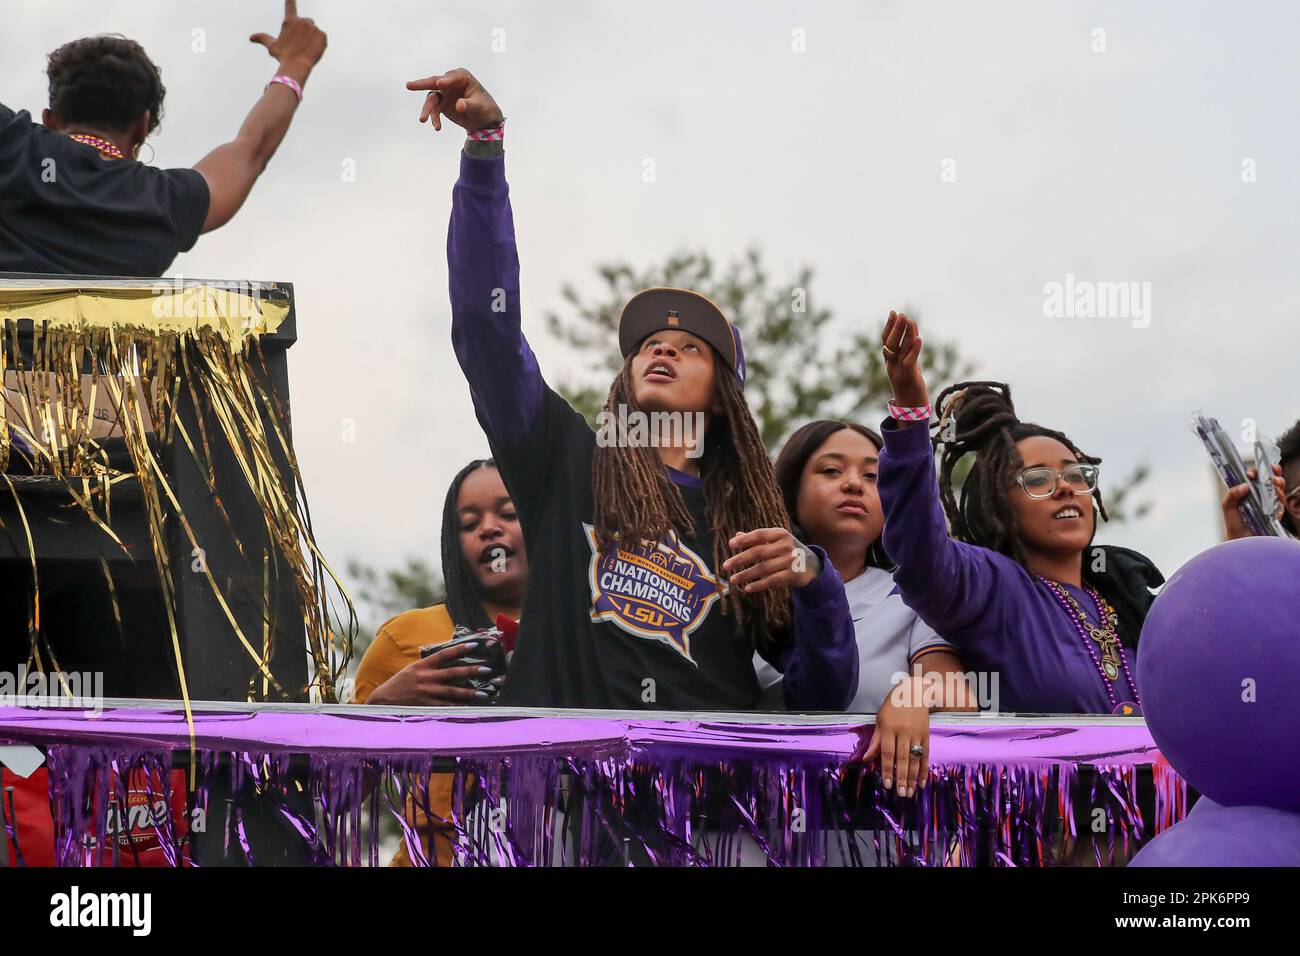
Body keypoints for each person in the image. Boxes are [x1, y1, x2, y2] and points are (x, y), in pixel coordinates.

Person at [412, 67, 857, 712]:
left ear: (723, 397)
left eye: (691, 348)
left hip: (708, 804)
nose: (664, 348)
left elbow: (822, 697)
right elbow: (486, 327)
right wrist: (485, 150)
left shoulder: (750, 525)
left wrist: (814, 582)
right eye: (649, 344)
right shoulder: (564, 459)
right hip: (567, 798)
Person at [875, 310, 1163, 715]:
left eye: (1075, 474)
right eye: (1038, 479)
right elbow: (923, 558)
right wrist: (911, 417)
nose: (1064, 487)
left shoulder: (1124, 598)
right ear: (997, 505)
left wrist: (1243, 543)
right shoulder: (996, 588)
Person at [0, 1, 326, 277]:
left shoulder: (12, 143)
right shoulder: (168, 203)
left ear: (50, 120)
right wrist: (297, 63)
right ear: (142, 127)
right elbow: (251, 150)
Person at [760, 420, 977, 797]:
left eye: (873, 476)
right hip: (744, 822)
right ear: (789, 490)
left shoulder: (912, 595)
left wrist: (914, 693)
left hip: (873, 827)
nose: (853, 484)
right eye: (831, 470)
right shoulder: (745, 586)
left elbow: (959, 694)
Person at [351, 458, 526, 866]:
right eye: (469, 524)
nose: (489, 528)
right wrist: (379, 712)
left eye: (509, 513)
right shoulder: (402, 637)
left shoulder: (587, 637)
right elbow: (337, 796)